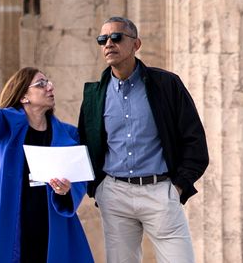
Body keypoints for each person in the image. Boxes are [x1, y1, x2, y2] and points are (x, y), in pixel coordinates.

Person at [0, 44, 94, 263]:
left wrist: (66, 190)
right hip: (14, 222)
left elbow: (80, 178)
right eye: (41, 84)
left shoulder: (69, 135)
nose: (50, 87)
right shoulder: (6, 125)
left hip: (54, 225)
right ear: (24, 96)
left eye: (49, 82)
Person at [78, 16, 208, 263]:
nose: (108, 44)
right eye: (102, 39)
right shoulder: (94, 95)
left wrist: (177, 186)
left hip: (160, 192)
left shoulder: (166, 84)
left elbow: (194, 140)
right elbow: (84, 142)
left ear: (136, 44)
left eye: (116, 37)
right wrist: (98, 188)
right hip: (114, 195)